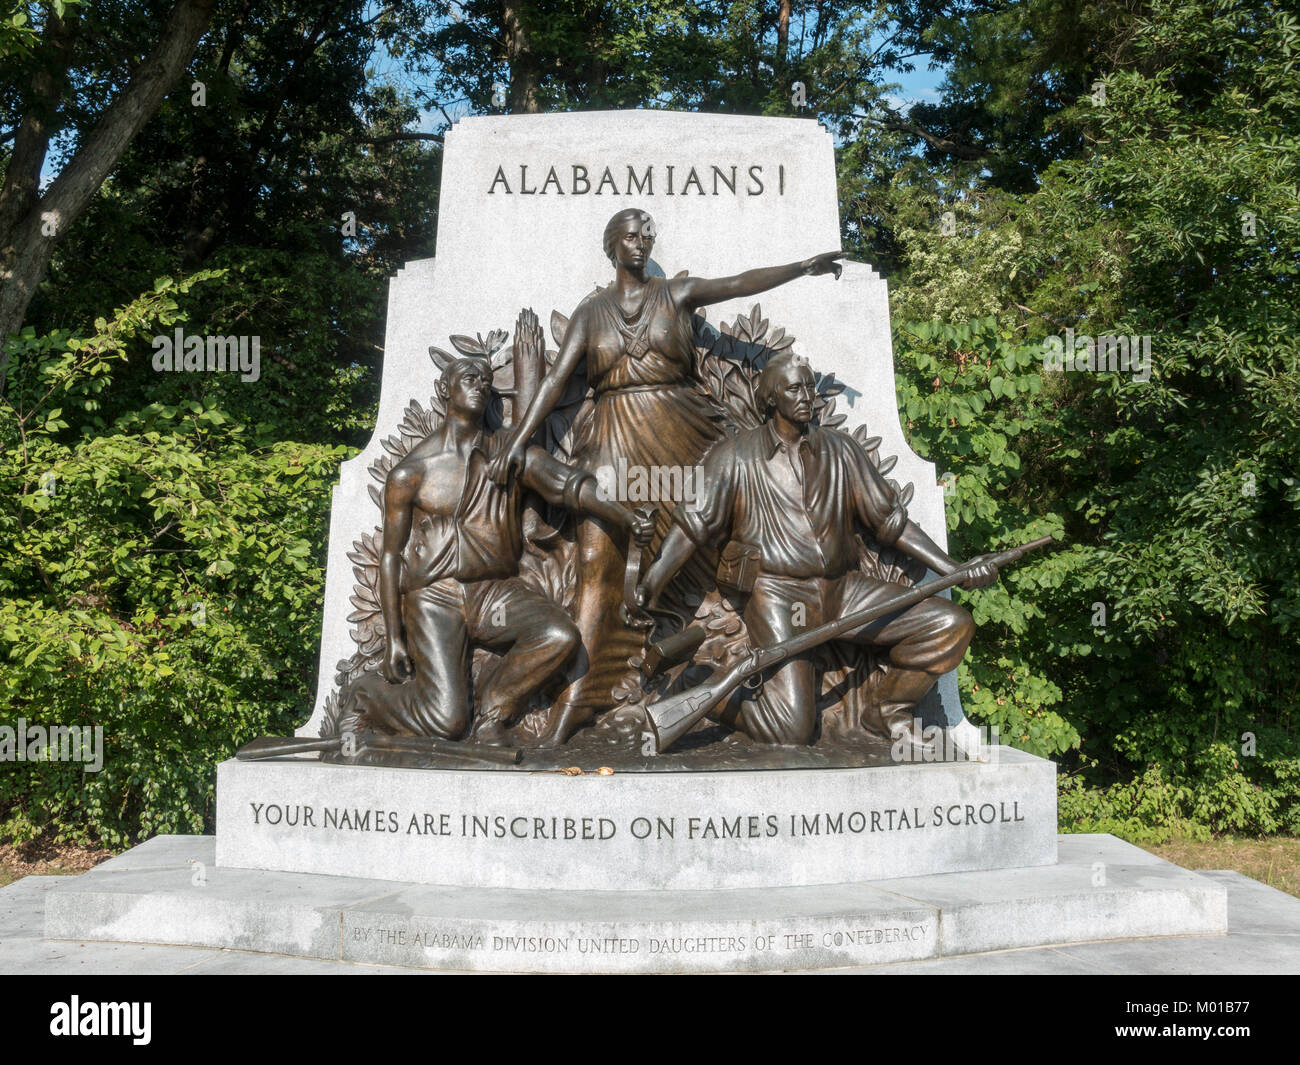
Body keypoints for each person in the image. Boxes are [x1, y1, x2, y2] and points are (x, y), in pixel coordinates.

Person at [487, 207, 844, 745]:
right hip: (613, 441)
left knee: (684, 556)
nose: (642, 243)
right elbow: (556, 384)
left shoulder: (675, 295)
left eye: (648, 235)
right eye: (631, 236)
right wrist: (516, 441)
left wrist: (800, 267)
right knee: (596, 565)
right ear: (612, 246)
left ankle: (685, 669)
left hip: (679, 439)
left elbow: (739, 283)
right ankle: (579, 697)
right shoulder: (592, 312)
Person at [636, 352, 999, 746]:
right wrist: (650, 582)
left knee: (950, 624)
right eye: (795, 387)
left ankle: (887, 714)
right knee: (793, 730)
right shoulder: (735, 457)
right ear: (772, 398)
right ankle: (707, 687)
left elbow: (890, 522)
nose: (808, 395)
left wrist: (953, 569)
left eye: (810, 385)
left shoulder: (841, 450)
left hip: (845, 591)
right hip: (781, 596)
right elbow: (693, 526)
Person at [343, 331, 654, 747]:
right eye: (469, 377)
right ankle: (365, 696)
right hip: (436, 598)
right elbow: (391, 557)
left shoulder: (506, 448)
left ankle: (494, 715)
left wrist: (624, 516)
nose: (480, 385)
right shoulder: (410, 473)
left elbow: (567, 485)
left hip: (492, 594)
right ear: (445, 388)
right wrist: (395, 637)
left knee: (558, 635)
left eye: (485, 380)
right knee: (446, 721)